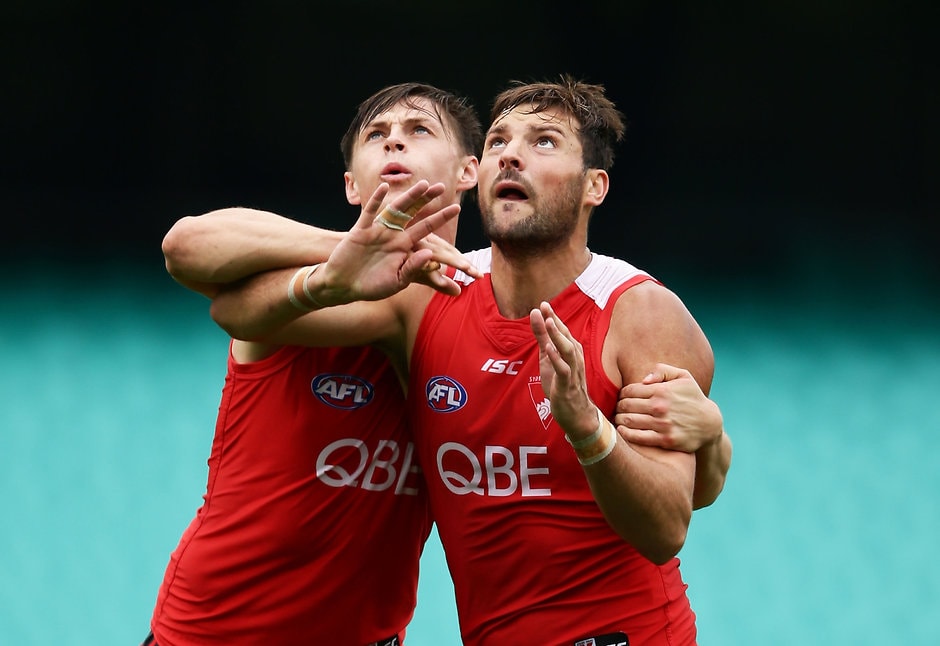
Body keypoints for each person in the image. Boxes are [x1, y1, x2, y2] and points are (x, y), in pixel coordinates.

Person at [209, 75, 731, 645]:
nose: (511, 156)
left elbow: (666, 527)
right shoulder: (432, 291)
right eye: (500, 142)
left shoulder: (641, 313)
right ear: (476, 174)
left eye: (545, 142)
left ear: (594, 186)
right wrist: (333, 271)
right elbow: (234, 306)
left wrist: (587, 428)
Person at [145, 83, 482, 646]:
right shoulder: (306, 281)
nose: (394, 140)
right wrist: (346, 258)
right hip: (211, 633)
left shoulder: (481, 310)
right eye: (377, 135)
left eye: (419, 130)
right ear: (352, 185)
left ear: (469, 171)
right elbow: (183, 247)